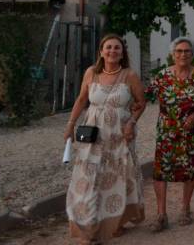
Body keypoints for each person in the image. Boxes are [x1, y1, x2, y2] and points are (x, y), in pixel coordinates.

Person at [64, 34, 146, 243]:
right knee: (88, 178)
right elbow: (82, 99)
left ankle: (115, 221)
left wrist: (131, 122)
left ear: (122, 53)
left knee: (117, 178)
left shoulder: (130, 76)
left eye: (117, 48)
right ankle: (89, 224)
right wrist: (70, 125)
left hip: (120, 136)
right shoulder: (91, 73)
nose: (112, 51)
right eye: (108, 47)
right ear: (101, 51)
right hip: (93, 135)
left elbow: (141, 103)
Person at [145, 37, 194, 232]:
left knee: (189, 170)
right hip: (167, 132)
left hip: (191, 131)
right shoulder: (162, 76)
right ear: (172, 54)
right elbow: (143, 96)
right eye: (179, 51)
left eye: (187, 51)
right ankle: (161, 214)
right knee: (161, 172)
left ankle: (185, 208)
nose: (183, 54)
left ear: (192, 54)